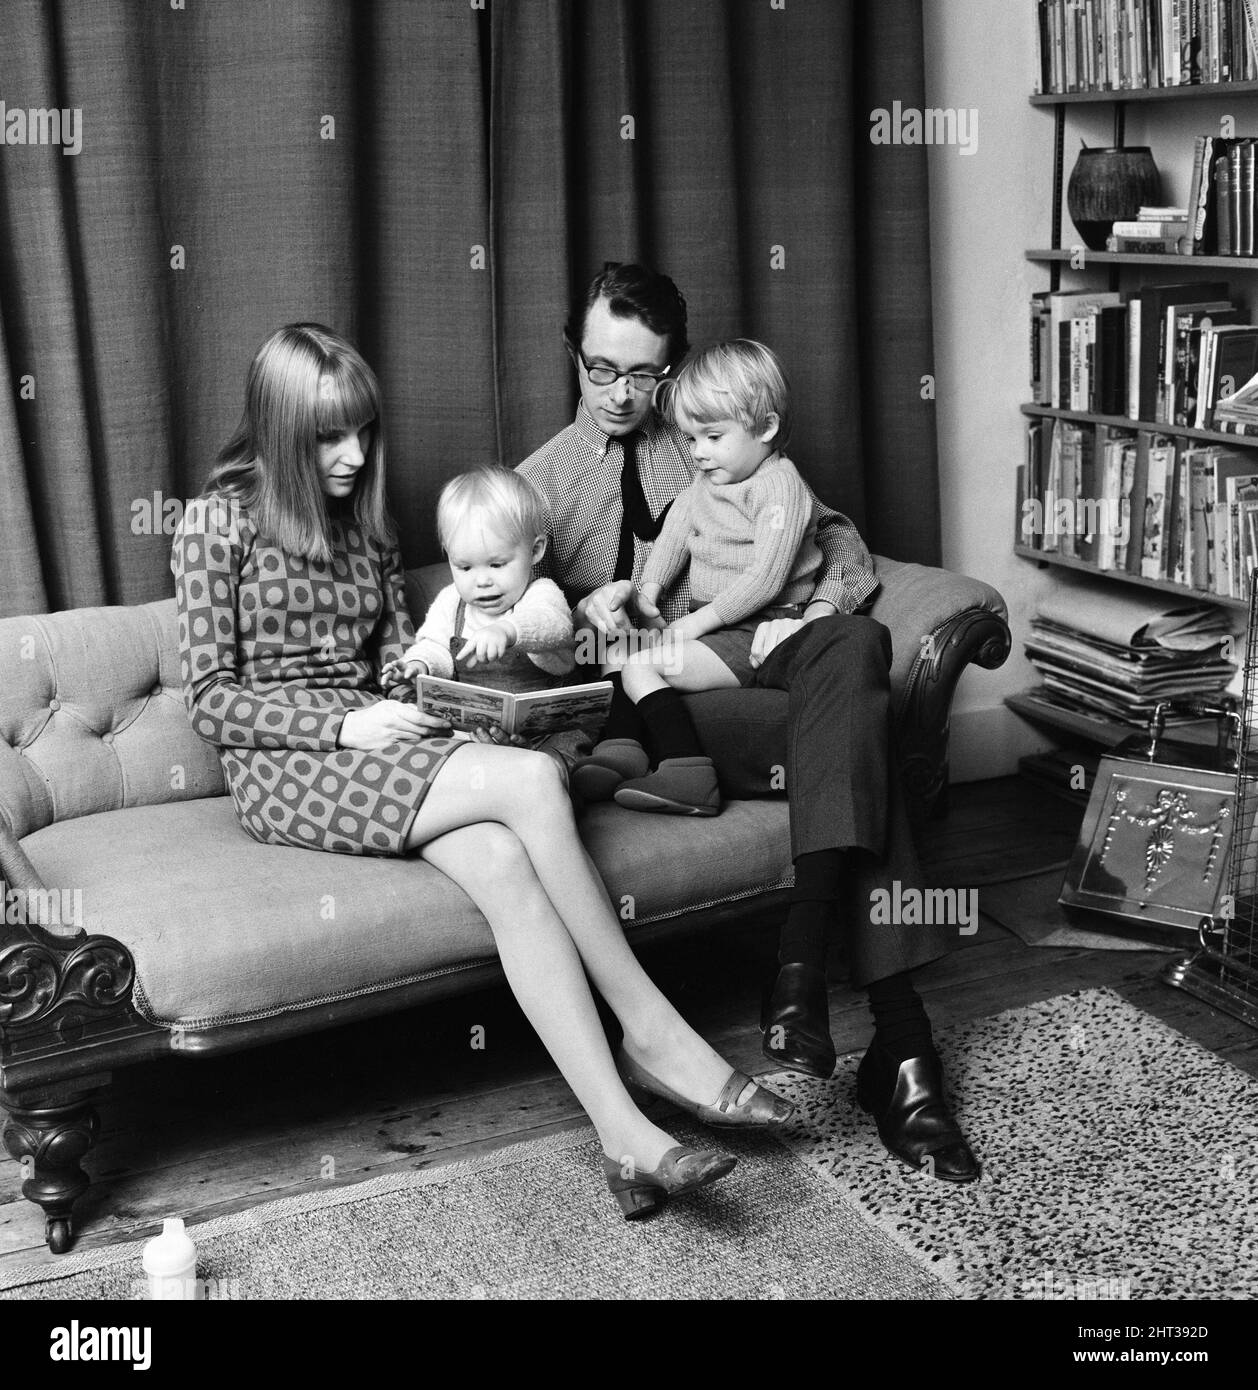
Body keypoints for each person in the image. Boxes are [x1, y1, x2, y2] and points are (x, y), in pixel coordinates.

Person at [171, 322, 794, 1221]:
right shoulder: (213, 523)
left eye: (364, 431)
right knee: (534, 782)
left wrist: (425, 690)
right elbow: (210, 700)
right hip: (288, 769)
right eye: (328, 436)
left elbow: (391, 658)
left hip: (388, 742)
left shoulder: (365, 526)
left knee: (505, 863)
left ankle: (625, 1136)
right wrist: (346, 722)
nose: (354, 454)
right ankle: (654, 1031)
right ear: (278, 429)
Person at [519, 264, 980, 1183]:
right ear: (573, 356)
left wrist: (812, 614)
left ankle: (812, 983)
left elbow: (834, 541)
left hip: (765, 677)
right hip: (661, 713)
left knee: (853, 646)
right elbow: (512, 624)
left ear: (674, 369)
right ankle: (902, 1045)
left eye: (642, 374)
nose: (620, 393)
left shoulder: (699, 435)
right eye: (599, 368)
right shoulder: (540, 482)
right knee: (856, 741)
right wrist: (578, 620)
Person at [595, 339, 826, 819]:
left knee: (644, 666)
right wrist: (649, 590)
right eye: (692, 438)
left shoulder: (778, 486)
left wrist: (694, 625)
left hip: (760, 633)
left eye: (712, 437)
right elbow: (676, 531)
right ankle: (621, 752)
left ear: (766, 428)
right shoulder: (710, 480)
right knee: (617, 650)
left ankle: (689, 774)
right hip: (721, 628)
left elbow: (765, 580)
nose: (698, 452)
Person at [384, 465, 590, 777]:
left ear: (535, 551)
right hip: (478, 733)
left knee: (560, 767)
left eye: (496, 564)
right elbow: (435, 646)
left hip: (545, 734)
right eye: (465, 567)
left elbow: (555, 627)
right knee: (441, 755)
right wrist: (419, 664)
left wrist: (508, 630)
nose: (482, 581)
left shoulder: (541, 594)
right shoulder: (451, 601)